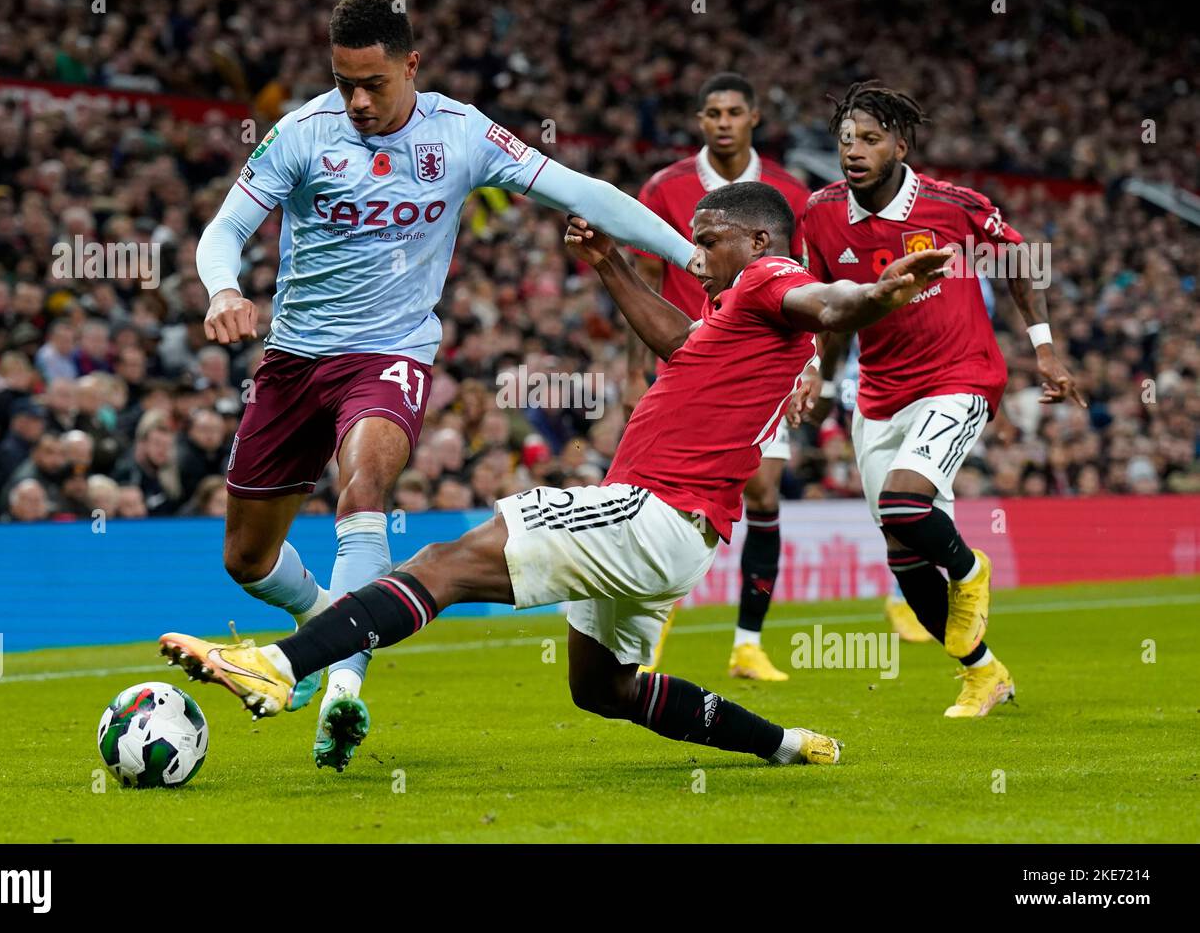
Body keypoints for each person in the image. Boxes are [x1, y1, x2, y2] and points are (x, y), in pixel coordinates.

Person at [160, 183, 955, 768]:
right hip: (680, 537)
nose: (697, 257)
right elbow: (680, 343)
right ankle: (785, 744)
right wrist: (610, 263)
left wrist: (877, 294)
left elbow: (829, 302)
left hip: (649, 510)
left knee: (443, 564)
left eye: (707, 242)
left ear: (755, 240)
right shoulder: (738, 319)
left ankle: (275, 667)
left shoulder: (769, 276)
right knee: (603, 689)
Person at [194, 0, 708, 772]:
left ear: (412, 64)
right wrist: (224, 291)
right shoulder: (302, 133)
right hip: (294, 360)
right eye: (344, 84)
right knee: (245, 560)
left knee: (364, 488)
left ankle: (340, 691)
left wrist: (689, 255)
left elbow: (582, 192)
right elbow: (225, 229)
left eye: (374, 83)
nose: (358, 102)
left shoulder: (461, 134)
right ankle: (328, 620)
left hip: (390, 354)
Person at [792, 81, 1084, 717]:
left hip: (959, 375)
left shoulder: (952, 206)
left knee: (903, 503)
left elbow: (1020, 261)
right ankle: (983, 673)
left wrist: (1043, 347)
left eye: (870, 139)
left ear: (900, 145)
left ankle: (971, 571)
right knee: (903, 551)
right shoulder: (819, 213)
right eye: (846, 139)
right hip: (878, 394)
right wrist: (820, 375)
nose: (854, 151)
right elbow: (828, 309)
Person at [630, 72, 812, 680]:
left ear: (754, 117)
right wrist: (635, 373)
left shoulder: (788, 191)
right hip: (687, 363)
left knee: (763, 494)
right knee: (669, 498)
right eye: (713, 113)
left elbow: (803, 284)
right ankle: (651, 627)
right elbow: (648, 277)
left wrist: (810, 364)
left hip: (761, 367)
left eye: (735, 111)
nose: (724, 122)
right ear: (701, 121)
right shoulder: (666, 187)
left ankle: (747, 644)